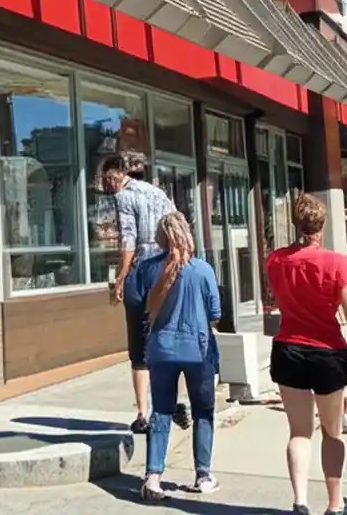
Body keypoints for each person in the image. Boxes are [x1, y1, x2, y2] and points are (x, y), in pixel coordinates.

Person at [267, 194, 347, 515]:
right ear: (322, 225)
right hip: (327, 352)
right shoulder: (337, 262)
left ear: (295, 224)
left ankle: (300, 503)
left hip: (288, 349)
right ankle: (335, 504)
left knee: (299, 432)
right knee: (332, 432)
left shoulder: (275, 261)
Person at [129, 211, 222, 501]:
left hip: (161, 349)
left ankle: (153, 477)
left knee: (162, 411)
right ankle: (203, 474)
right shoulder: (202, 270)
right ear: (187, 234)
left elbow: (138, 306)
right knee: (204, 410)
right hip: (198, 349)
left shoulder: (147, 269)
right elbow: (216, 314)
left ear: (160, 238)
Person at [102, 152, 188, 434]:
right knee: (164, 337)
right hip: (168, 268)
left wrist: (120, 278)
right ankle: (172, 402)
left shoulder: (124, 198)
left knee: (139, 346)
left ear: (116, 175)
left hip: (141, 272)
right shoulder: (157, 192)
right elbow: (177, 223)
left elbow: (129, 241)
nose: (107, 186)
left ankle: (142, 413)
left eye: (107, 179)